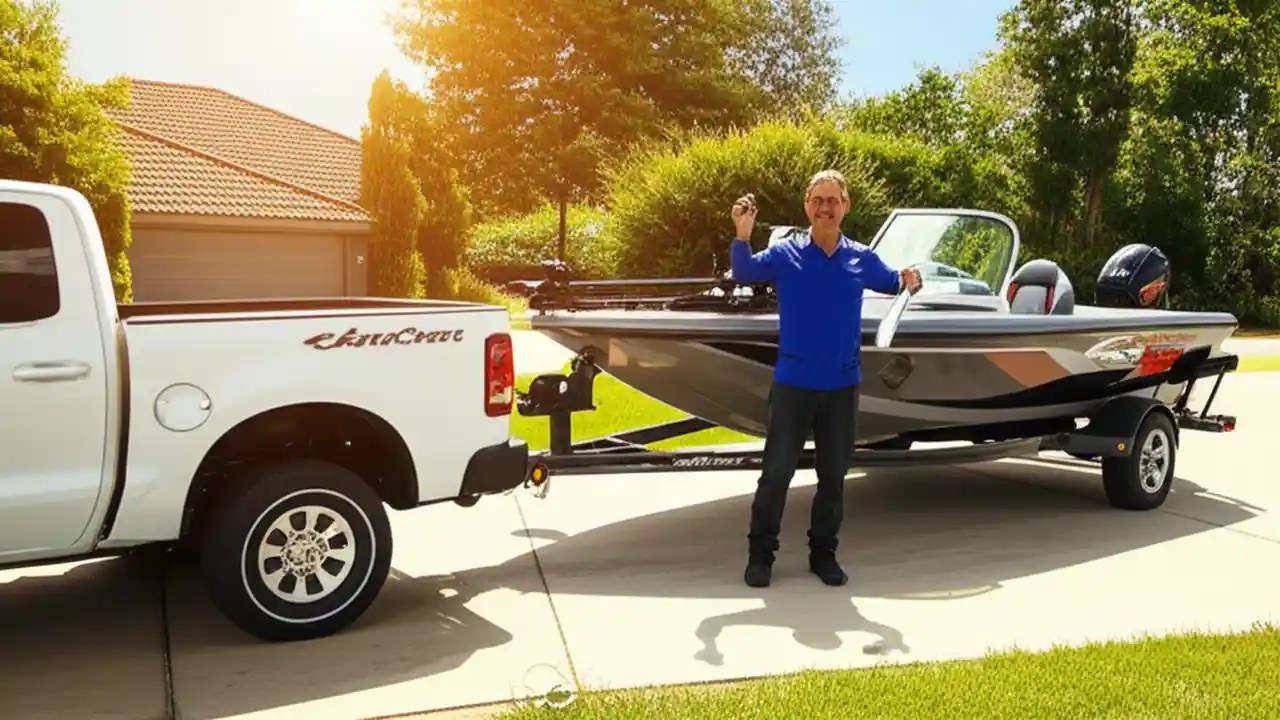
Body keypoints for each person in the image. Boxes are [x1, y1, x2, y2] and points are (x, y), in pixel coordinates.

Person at [729, 169, 922, 588]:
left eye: (833, 200)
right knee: (776, 475)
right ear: (806, 206)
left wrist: (911, 279)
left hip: (840, 387)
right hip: (794, 385)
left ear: (845, 207)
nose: (825, 208)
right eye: (818, 200)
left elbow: (894, 282)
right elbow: (744, 272)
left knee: (833, 477)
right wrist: (742, 233)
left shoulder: (861, 258)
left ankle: (824, 554)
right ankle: (760, 556)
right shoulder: (785, 254)